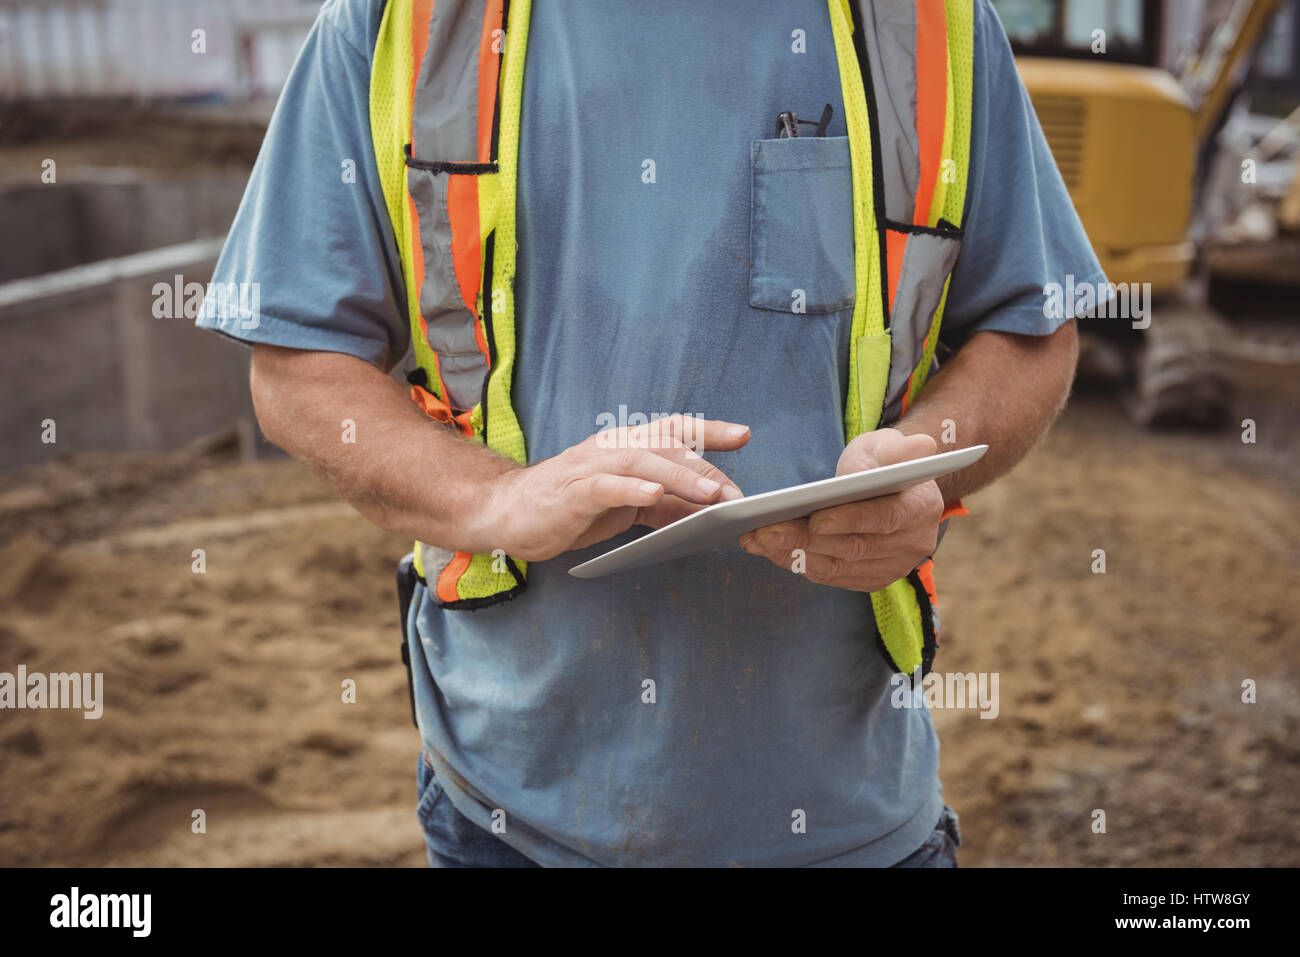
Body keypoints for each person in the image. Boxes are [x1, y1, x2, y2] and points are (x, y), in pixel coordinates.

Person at [198, 0, 1101, 867]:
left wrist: (925, 463)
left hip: (848, 808)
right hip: (509, 817)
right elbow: (297, 365)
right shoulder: (406, 18)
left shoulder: (928, 18)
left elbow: (1031, 323)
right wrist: (499, 496)